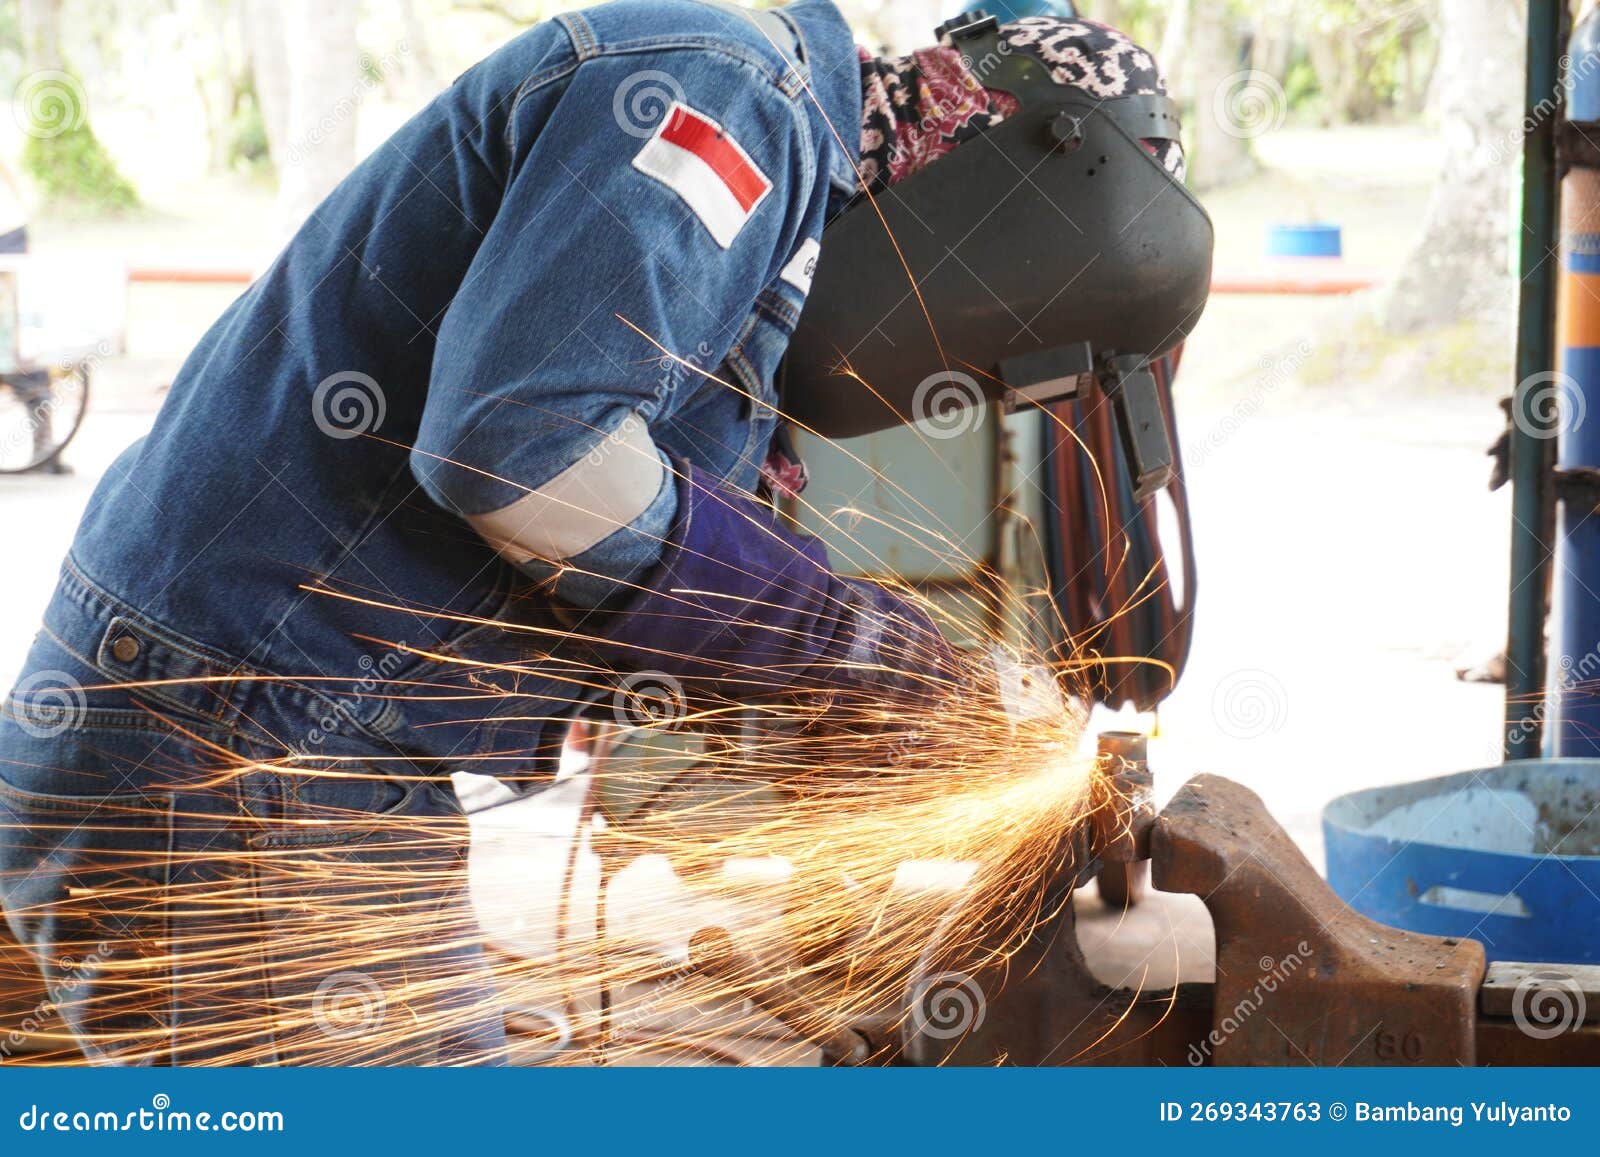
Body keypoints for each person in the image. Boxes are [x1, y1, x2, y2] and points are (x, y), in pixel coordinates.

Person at [0, 0, 1184, 1065]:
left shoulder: (763, 213)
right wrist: (861, 656)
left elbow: (634, 536)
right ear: (1006, 175)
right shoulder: (730, 98)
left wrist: (874, 708)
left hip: (273, 734)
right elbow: (519, 448)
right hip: (231, 736)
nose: (954, 379)